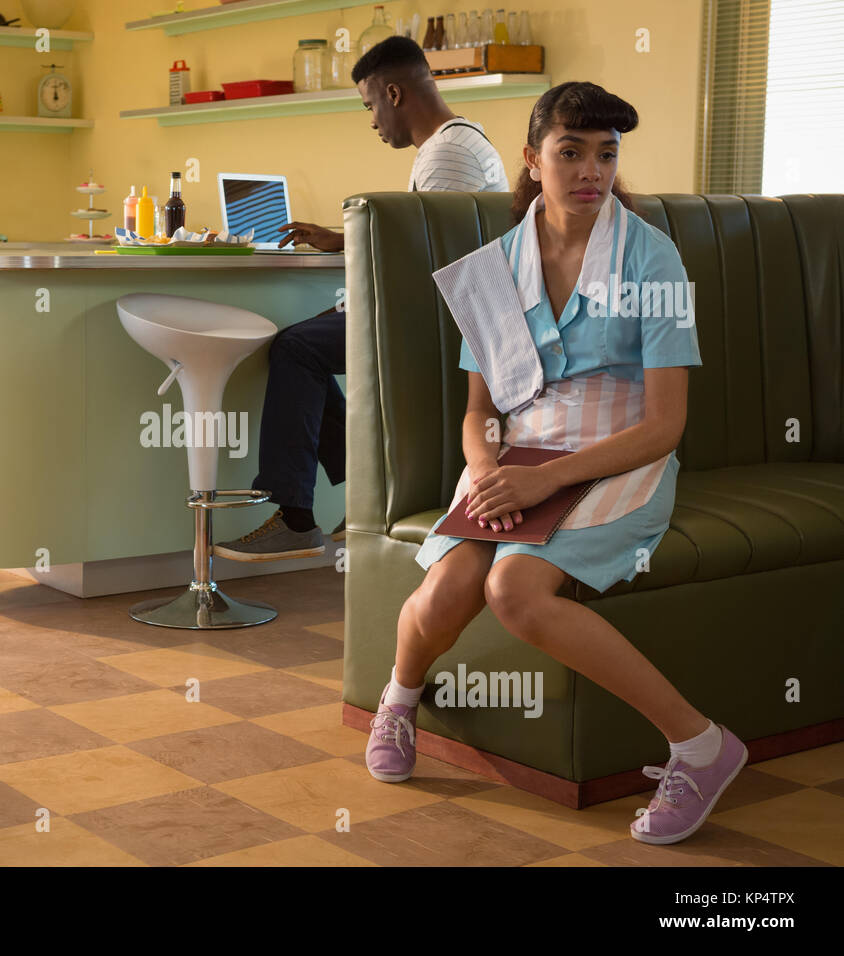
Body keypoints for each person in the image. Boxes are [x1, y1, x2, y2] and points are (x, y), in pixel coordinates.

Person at [365, 81, 748, 845]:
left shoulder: (655, 258)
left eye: (605, 154)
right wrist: (484, 472)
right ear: (533, 161)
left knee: (513, 587)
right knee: (449, 590)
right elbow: (480, 414)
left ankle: (702, 747)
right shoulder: (491, 271)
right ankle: (399, 699)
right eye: (569, 151)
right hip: (517, 460)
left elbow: (665, 425)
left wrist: (547, 479)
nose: (590, 171)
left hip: (622, 457)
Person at [214, 35, 509, 562]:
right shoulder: (462, 143)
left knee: (297, 348)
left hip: (439, 322)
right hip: (446, 314)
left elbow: (429, 266)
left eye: (370, 104)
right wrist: (343, 239)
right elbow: (429, 240)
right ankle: (365, 489)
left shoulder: (445, 156)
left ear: (394, 93)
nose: (372, 120)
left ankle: (301, 514)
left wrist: (356, 295)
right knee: (305, 344)